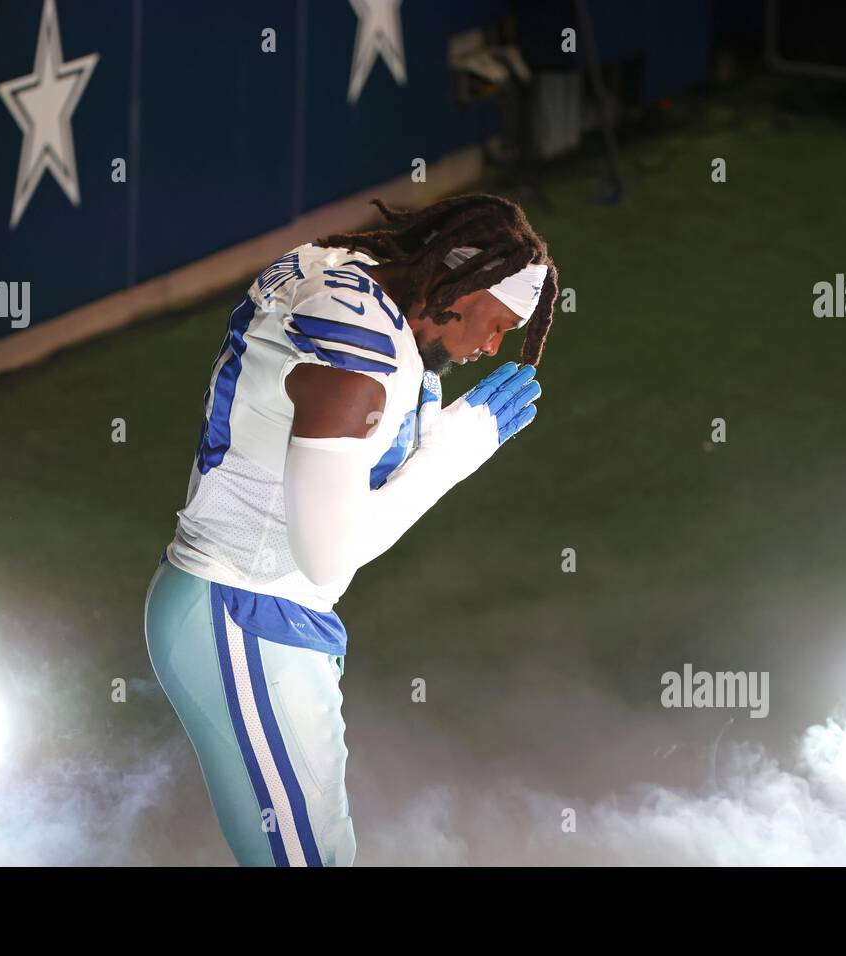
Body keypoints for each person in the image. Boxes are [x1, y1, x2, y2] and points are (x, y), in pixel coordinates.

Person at [144, 193, 558, 865]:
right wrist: (446, 461)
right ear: (459, 284)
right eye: (497, 324)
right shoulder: (357, 371)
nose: (490, 346)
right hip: (245, 607)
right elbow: (325, 556)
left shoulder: (344, 265)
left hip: (247, 603)